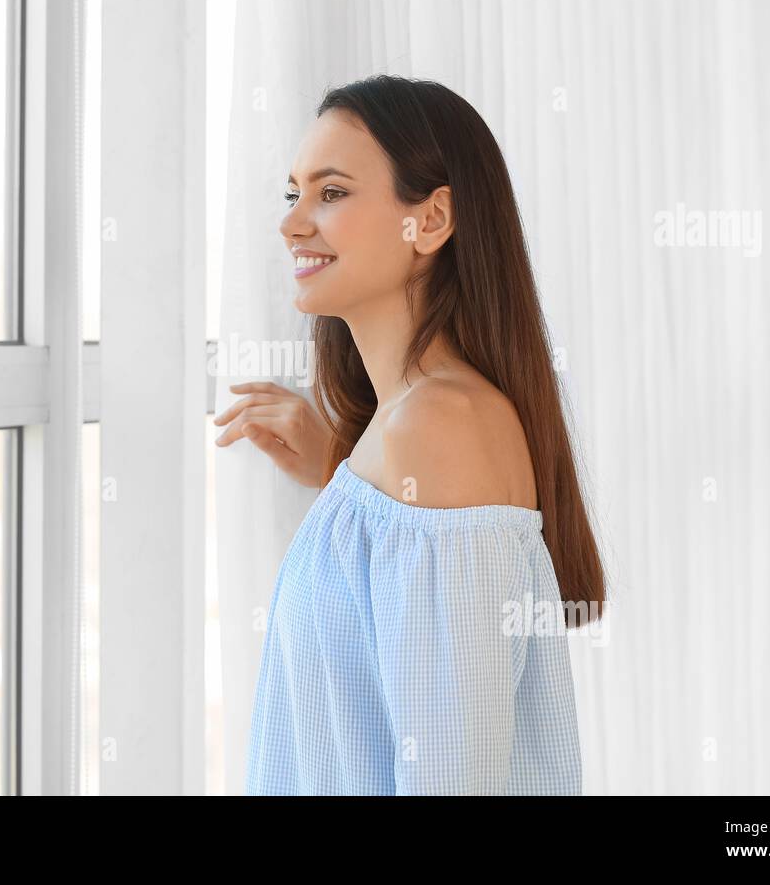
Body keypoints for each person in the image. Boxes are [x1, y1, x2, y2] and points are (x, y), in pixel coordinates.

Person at [215, 74, 606, 795]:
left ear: (429, 221)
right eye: (292, 193)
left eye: (331, 193)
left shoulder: (440, 426)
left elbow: (453, 778)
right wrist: (339, 465)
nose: (293, 222)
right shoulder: (413, 432)